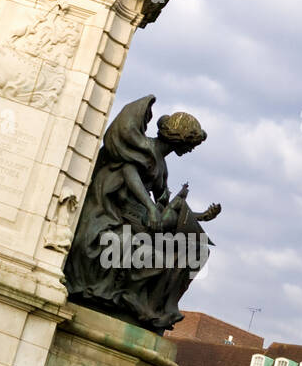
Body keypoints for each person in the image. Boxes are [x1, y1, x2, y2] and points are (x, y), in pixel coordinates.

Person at [62, 95, 217, 331]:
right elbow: (130, 174)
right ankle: (134, 300)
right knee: (141, 248)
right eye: (191, 144)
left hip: (137, 221)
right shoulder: (141, 147)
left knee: (194, 251)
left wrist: (200, 216)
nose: (191, 150)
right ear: (181, 138)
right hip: (110, 217)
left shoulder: (162, 167)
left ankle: (153, 307)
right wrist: (151, 209)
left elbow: (165, 206)